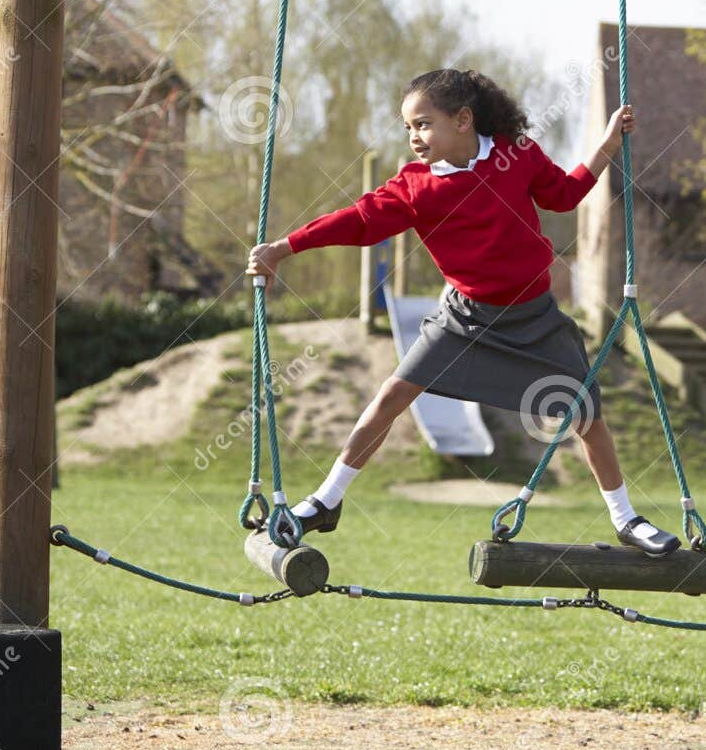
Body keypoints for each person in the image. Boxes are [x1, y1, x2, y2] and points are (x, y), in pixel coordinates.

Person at [246, 68, 679, 556]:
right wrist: (284, 247)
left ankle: (625, 517)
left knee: (586, 416)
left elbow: (563, 195)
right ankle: (327, 500)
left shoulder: (516, 156)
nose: (414, 137)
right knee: (391, 395)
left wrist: (606, 146)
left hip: (535, 318)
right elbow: (359, 221)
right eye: (408, 127)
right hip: (464, 318)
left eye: (424, 123)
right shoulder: (414, 187)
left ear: (463, 120)